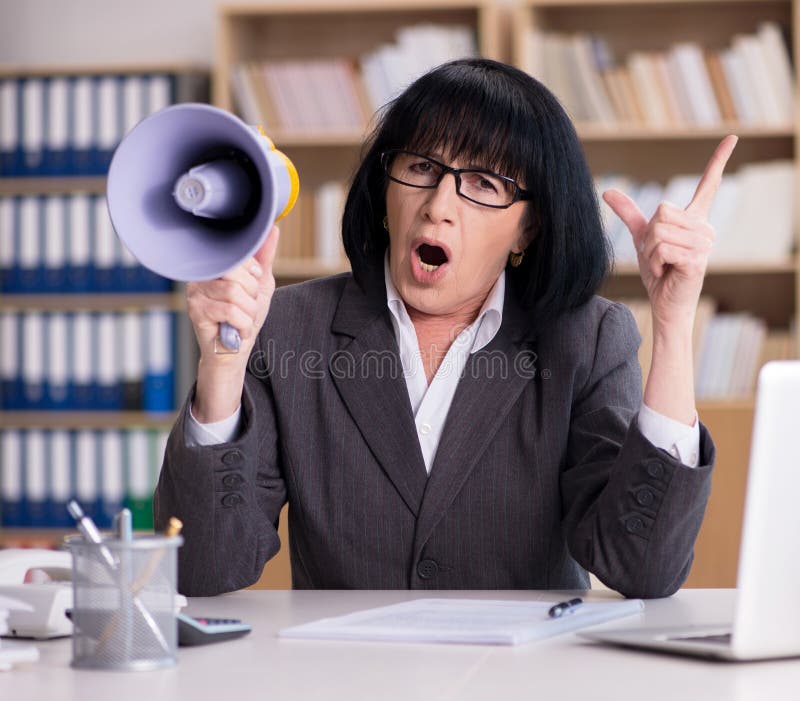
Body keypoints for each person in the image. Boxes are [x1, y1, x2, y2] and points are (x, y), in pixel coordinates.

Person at [154, 58, 735, 598]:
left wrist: (674, 320)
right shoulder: (285, 328)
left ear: (527, 230)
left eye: (483, 183)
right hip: (347, 665)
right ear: (385, 192)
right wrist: (222, 368)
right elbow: (203, 569)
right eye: (422, 167)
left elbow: (641, 567)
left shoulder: (588, 338)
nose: (438, 205)